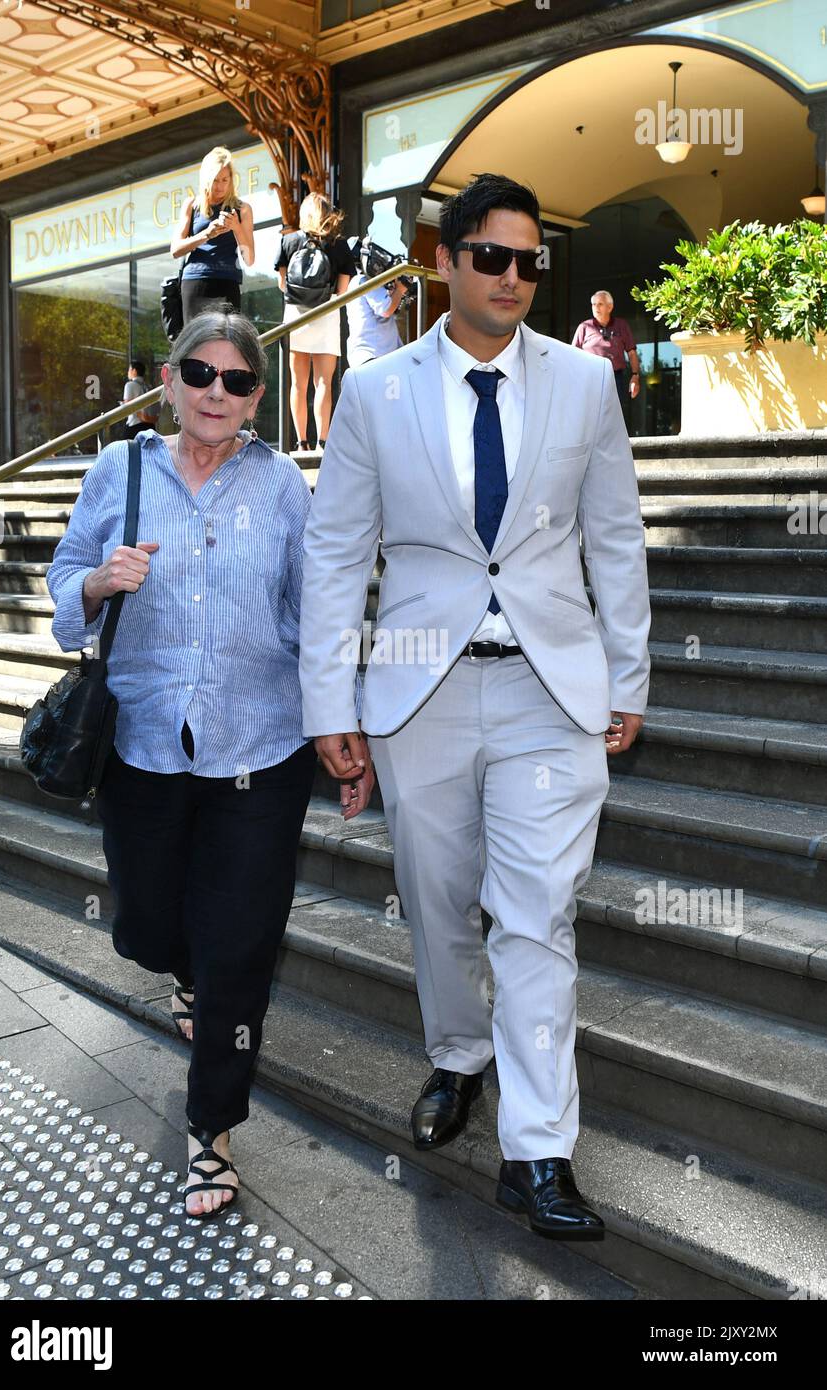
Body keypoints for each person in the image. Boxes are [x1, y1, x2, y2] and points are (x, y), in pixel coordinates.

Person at [299, 173, 651, 1241]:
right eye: (490, 257)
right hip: (421, 691)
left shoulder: (582, 386)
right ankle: (458, 1055)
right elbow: (336, 554)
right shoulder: (375, 392)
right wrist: (330, 699)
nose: (511, 277)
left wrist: (626, 674)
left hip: (551, 687)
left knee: (538, 916)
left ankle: (537, 1151)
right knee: (438, 898)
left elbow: (615, 539)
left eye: (529, 261)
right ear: (445, 261)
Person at [48, 305, 362, 1220]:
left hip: (261, 751)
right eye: (199, 374)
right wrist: (97, 582)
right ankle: (178, 966)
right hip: (143, 749)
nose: (215, 393)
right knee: (146, 928)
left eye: (237, 380)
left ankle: (212, 1133)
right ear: (169, 382)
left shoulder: (283, 487)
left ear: (259, 397)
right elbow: (64, 581)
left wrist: (343, 723)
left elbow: (319, 613)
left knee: (240, 950)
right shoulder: (119, 469)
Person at [275, 192, 355, 452]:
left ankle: (301, 443)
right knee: (323, 383)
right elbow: (342, 291)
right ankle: (323, 442)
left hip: (296, 315)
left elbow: (282, 284)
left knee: (298, 384)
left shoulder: (289, 241)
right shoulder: (339, 245)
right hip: (326, 313)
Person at [171, 147, 255, 322]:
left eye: (225, 180)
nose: (220, 186)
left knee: (226, 336)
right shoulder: (192, 205)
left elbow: (249, 259)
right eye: (215, 180)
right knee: (195, 337)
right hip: (195, 281)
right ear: (206, 179)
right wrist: (206, 234)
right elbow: (175, 250)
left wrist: (236, 227)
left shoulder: (242, 209)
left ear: (232, 179)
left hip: (227, 281)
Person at [572, 291, 640, 416]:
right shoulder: (584, 327)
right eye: (593, 304)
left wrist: (635, 376)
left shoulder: (621, 325)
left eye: (600, 304)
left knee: (613, 416)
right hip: (589, 377)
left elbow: (632, 353)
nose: (596, 307)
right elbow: (573, 355)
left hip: (614, 377)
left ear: (610, 307)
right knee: (590, 415)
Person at [345, 242, 409, 369]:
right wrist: (400, 289)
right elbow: (386, 309)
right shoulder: (363, 281)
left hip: (371, 355)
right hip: (372, 354)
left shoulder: (356, 282)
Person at [121, 360, 161, 439]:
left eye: (129, 370)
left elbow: (127, 405)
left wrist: (123, 404)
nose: (128, 372)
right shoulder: (149, 387)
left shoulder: (130, 385)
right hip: (150, 427)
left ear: (134, 371)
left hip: (135, 426)